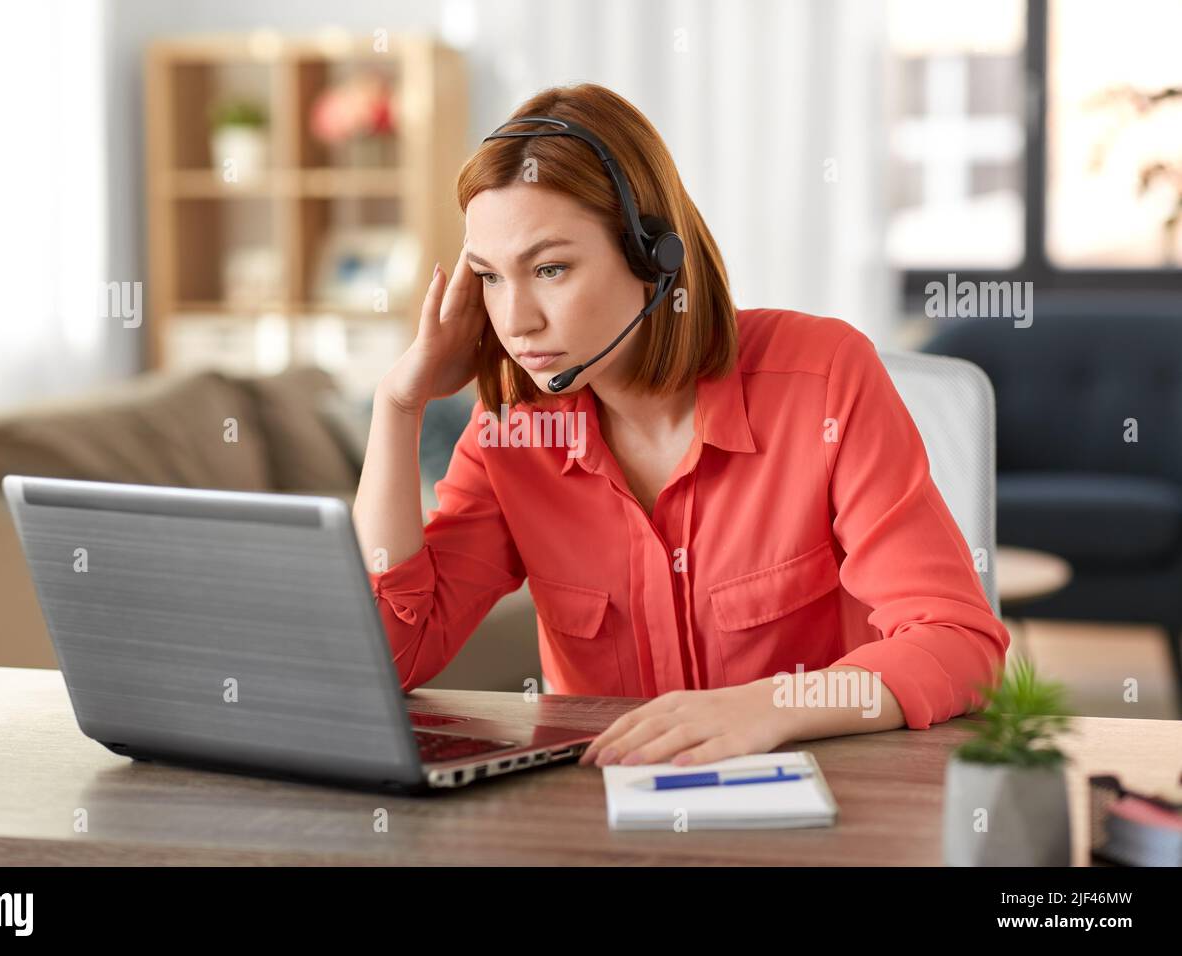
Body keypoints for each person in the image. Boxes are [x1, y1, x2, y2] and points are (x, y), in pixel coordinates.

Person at [351, 82, 1010, 768]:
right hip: (596, 815)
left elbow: (959, 642)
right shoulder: (514, 429)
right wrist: (398, 405)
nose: (515, 321)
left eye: (550, 269)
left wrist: (768, 708)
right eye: (489, 277)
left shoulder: (823, 378)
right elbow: (393, 659)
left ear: (654, 258)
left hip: (813, 805)